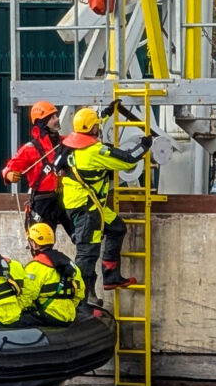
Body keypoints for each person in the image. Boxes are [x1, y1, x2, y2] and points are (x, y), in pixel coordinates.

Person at [61, 104, 152, 304]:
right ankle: (81, 299)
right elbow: (128, 160)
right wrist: (145, 145)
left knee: (117, 228)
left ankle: (110, 276)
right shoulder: (95, 151)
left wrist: (106, 113)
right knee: (87, 253)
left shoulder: (71, 145)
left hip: (90, 206)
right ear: (92, 129)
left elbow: (92, 125)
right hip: (87, 210)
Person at [1, 100, 74, 237]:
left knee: (80, 237)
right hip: (43, 202)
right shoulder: (30, 149)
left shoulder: (66, 143)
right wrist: (9, 175)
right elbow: (9, 167)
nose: (57, 120)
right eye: (52, 117)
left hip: (66, 198)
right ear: (42, 122)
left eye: (56, 116)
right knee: (42, 242)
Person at [19, 223, 85, 326]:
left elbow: (27, 296)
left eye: (30, 242)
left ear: (35, 244)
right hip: (69, 315)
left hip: (46, 315)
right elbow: (80, 293)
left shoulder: (35, 267)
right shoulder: (70, 264)